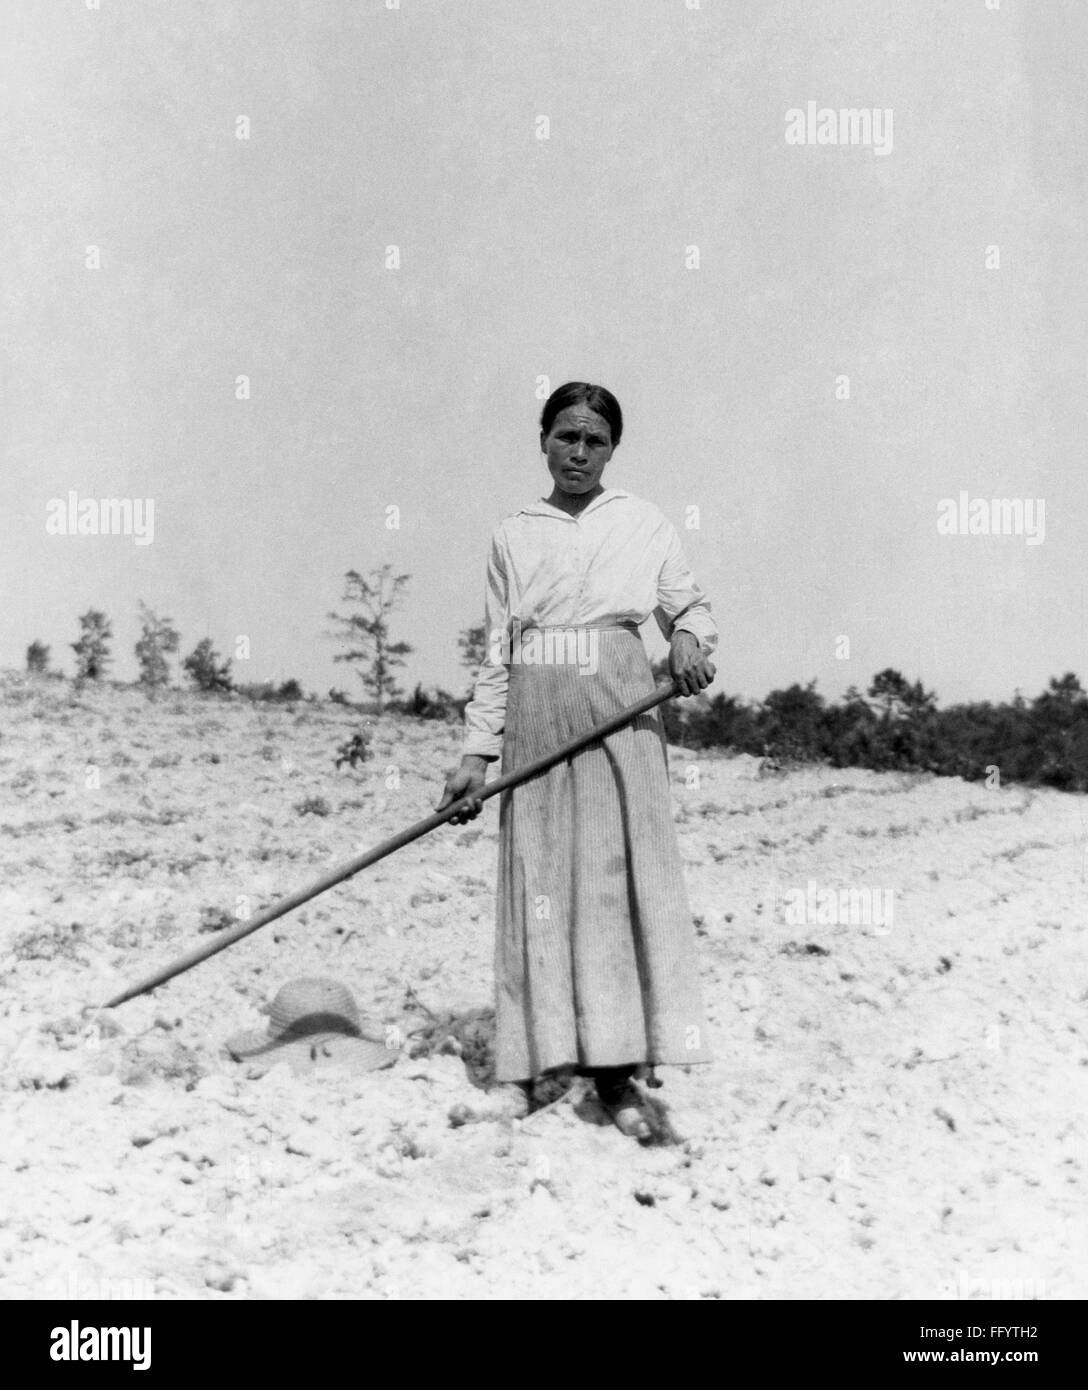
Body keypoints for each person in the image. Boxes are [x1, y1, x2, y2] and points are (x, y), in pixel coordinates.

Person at [436, 382, 716, 1139]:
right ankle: (525, 1071)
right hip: (537, 709)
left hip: (621, 709)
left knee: (611, 883)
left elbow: (687, 608)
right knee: (539, 883)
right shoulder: (513, 534)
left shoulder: (644, 522)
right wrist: (476, 753)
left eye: (594, 440)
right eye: (566, 437)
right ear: (544, 441)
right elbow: (497, 653)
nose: (579, 453)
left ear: (612, 449)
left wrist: (687, 640)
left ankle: (617, 1076)